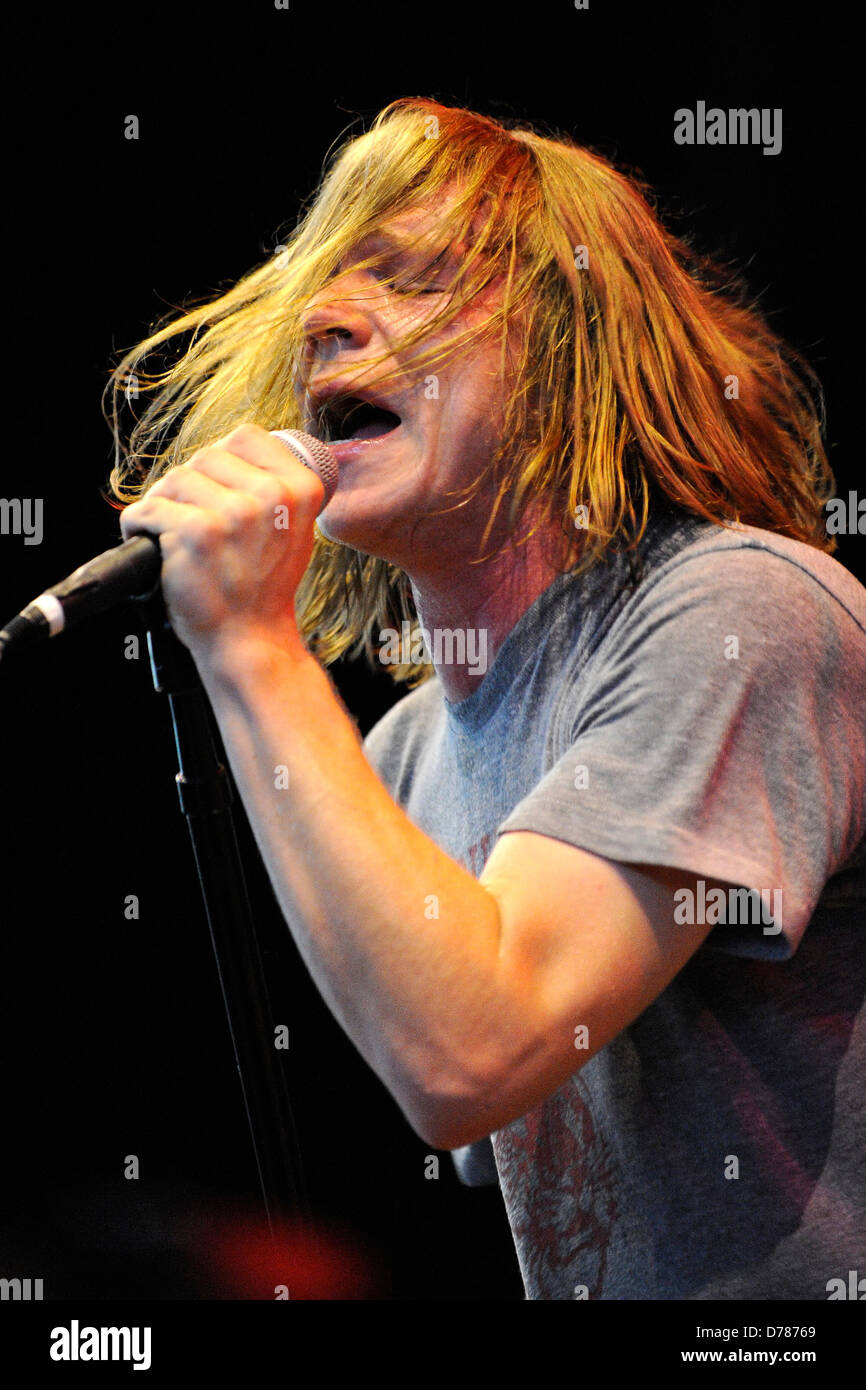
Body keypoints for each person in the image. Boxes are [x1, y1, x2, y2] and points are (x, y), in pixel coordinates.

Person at [109, 98, 866, 1300]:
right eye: (324, 288)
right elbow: (463, 1110)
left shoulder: (737, 613)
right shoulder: (406, 751)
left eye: (410, 280)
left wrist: (251, 646)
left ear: (573, 348)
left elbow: (474, 1050)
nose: (324, 317)